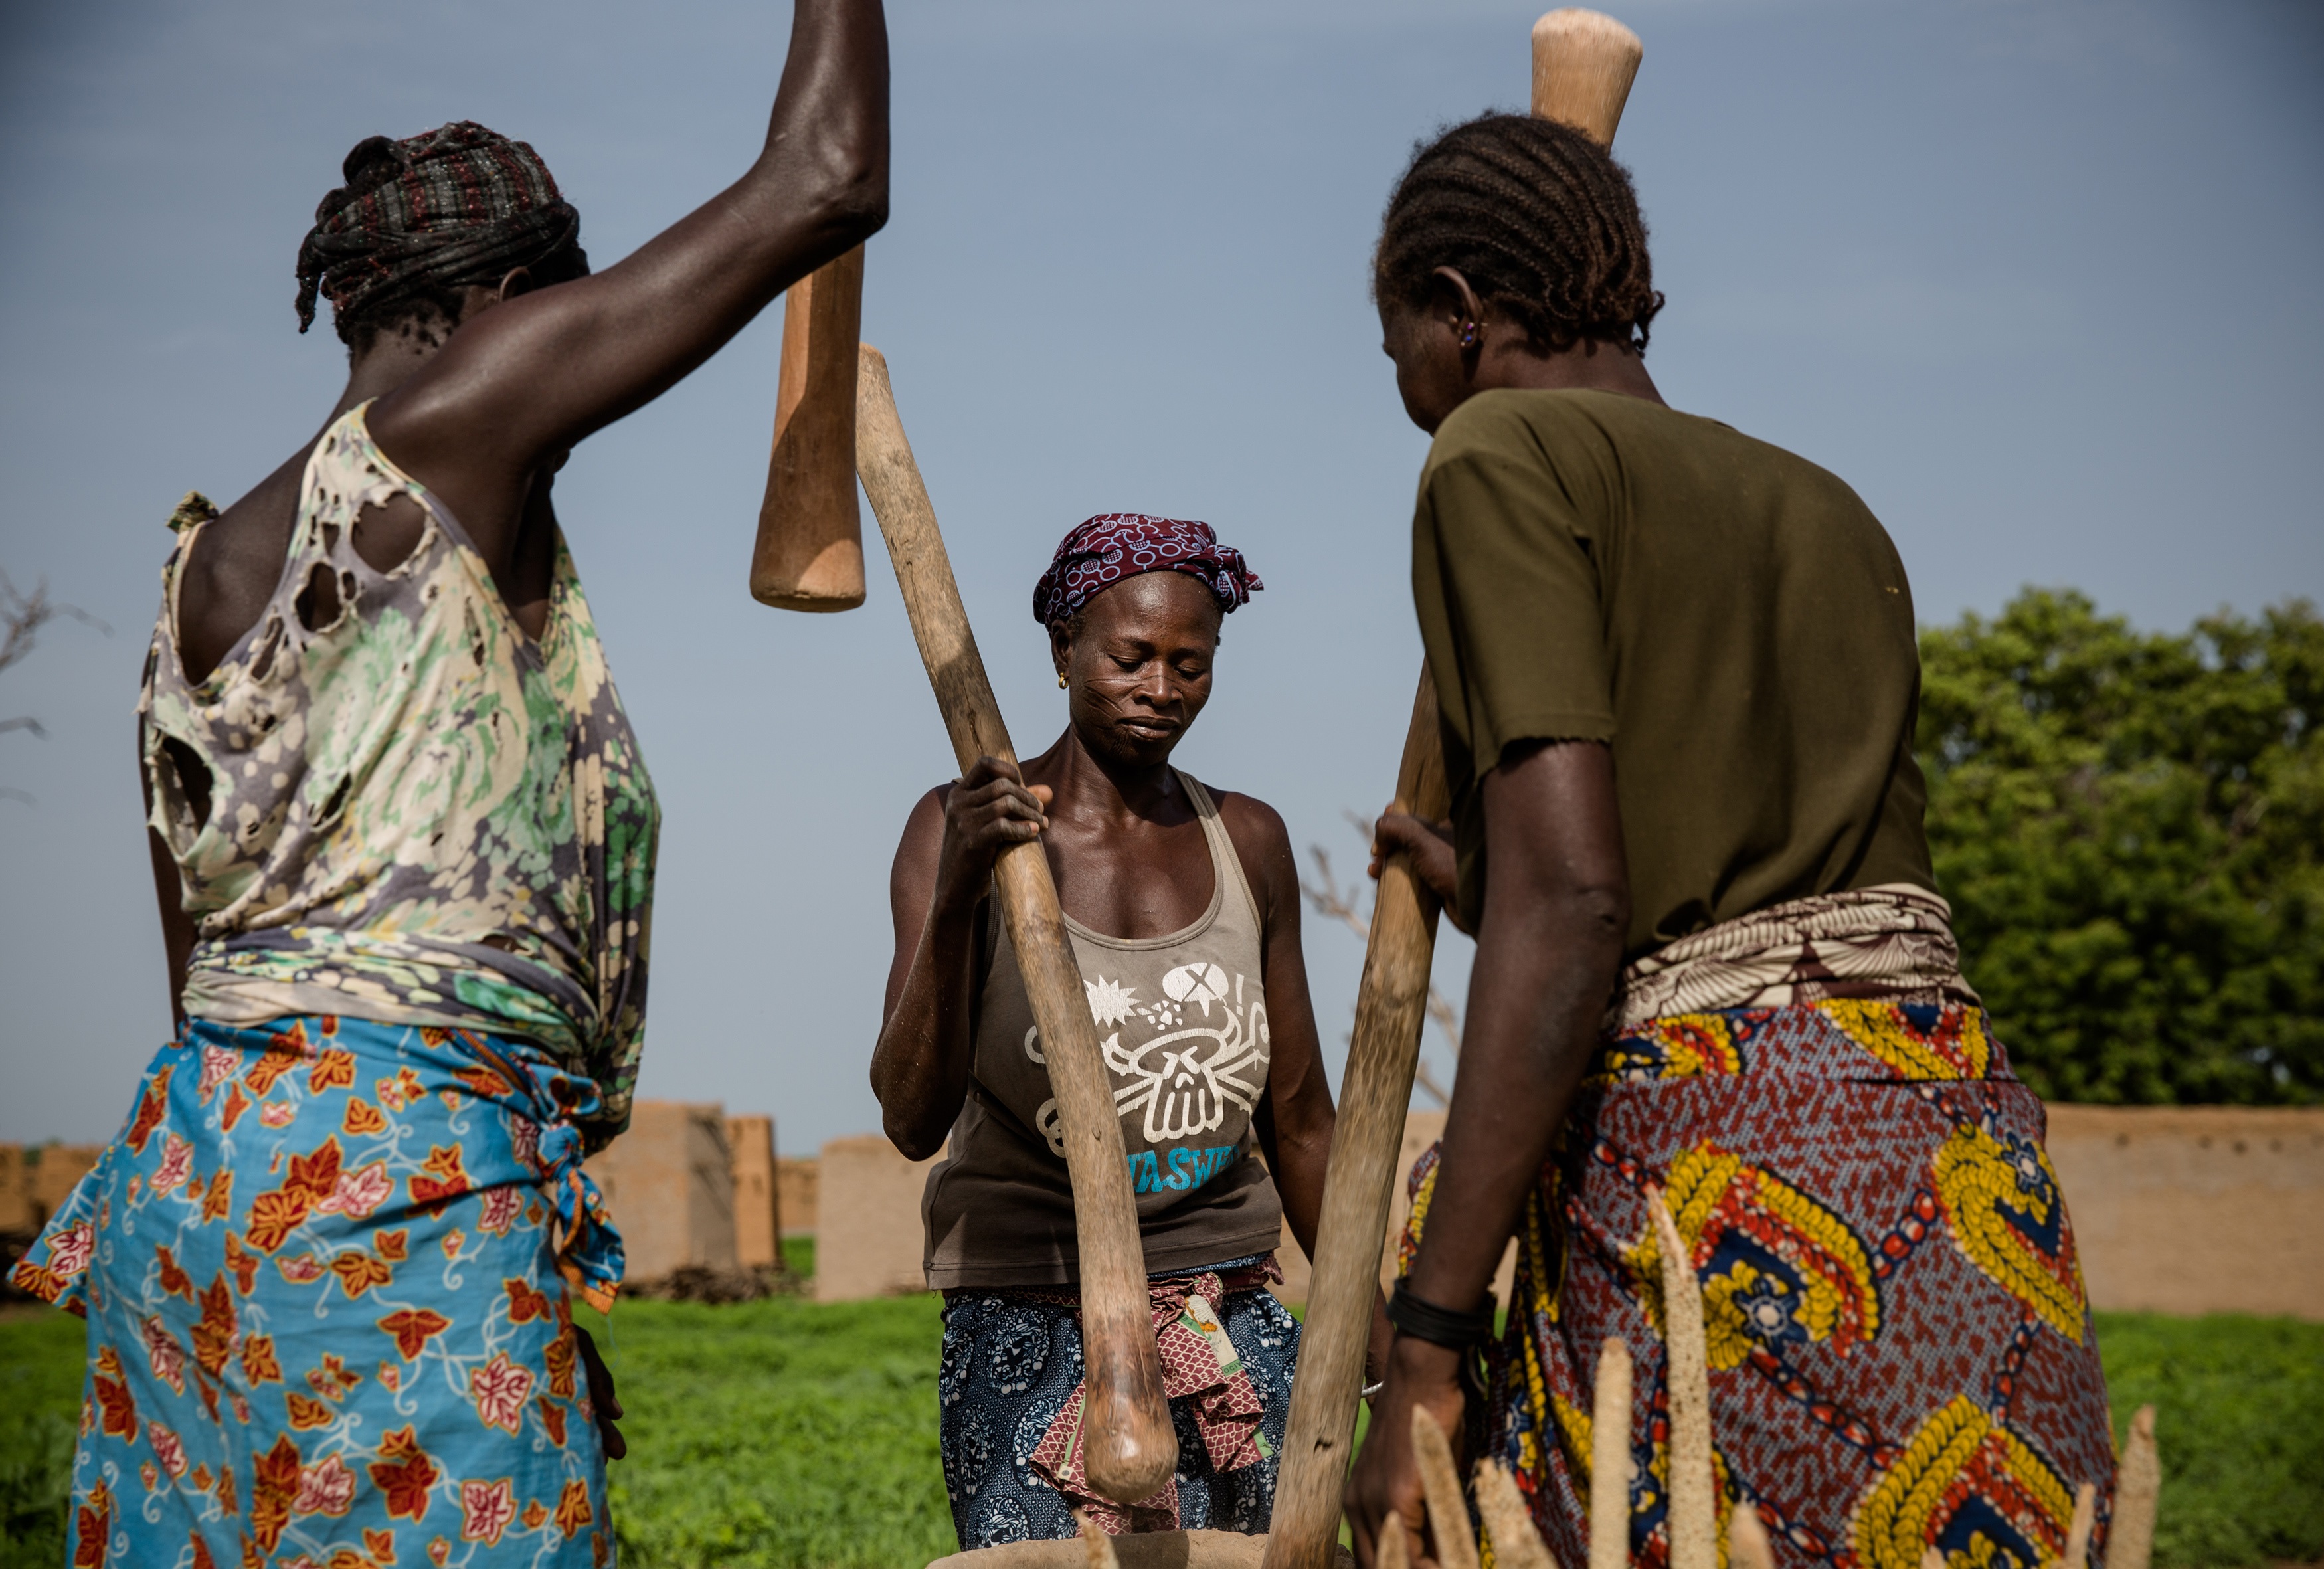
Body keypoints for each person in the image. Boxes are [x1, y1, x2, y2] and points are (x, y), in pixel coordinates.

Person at [8, 7, 888, 1564]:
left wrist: (515, 1283)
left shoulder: (201, 579)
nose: (569, 385)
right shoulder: (444, 431)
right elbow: (823, 177)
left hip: (206, 1194)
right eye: (559, 323)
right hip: (400, 1186)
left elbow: (206, 984)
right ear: (483, 313)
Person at [1340, 116, 2117, 1569]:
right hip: (1949, 1169)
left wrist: (1431, 1339)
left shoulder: (1493, 451)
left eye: (1396, 350)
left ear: (1455, 311)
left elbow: (1582, 910)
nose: (1404, 390)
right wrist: (1477, 879)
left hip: (1718, 1192)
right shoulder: (1827, 505)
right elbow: (1773, 878)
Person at [876, 515, 1374, 1548]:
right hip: (1029, 1316)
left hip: (1228, 1314)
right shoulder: (959, 827)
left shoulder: (1248, 840)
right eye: (1130, 657)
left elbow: (1301, 1120)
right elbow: (910, 1114)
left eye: (1191, 664)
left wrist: (1374, 1339)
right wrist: (966, 884)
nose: (1162, 688)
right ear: (1063, 652)